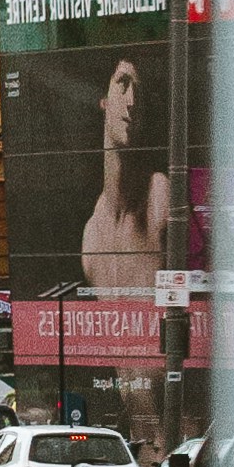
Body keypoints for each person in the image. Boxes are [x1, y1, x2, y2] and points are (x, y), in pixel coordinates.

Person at [80, 51, 170, 301]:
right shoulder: (92, 235)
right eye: (123, 84)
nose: (132, 100)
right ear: (104, 100)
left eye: (138, 90)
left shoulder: (160, 195)